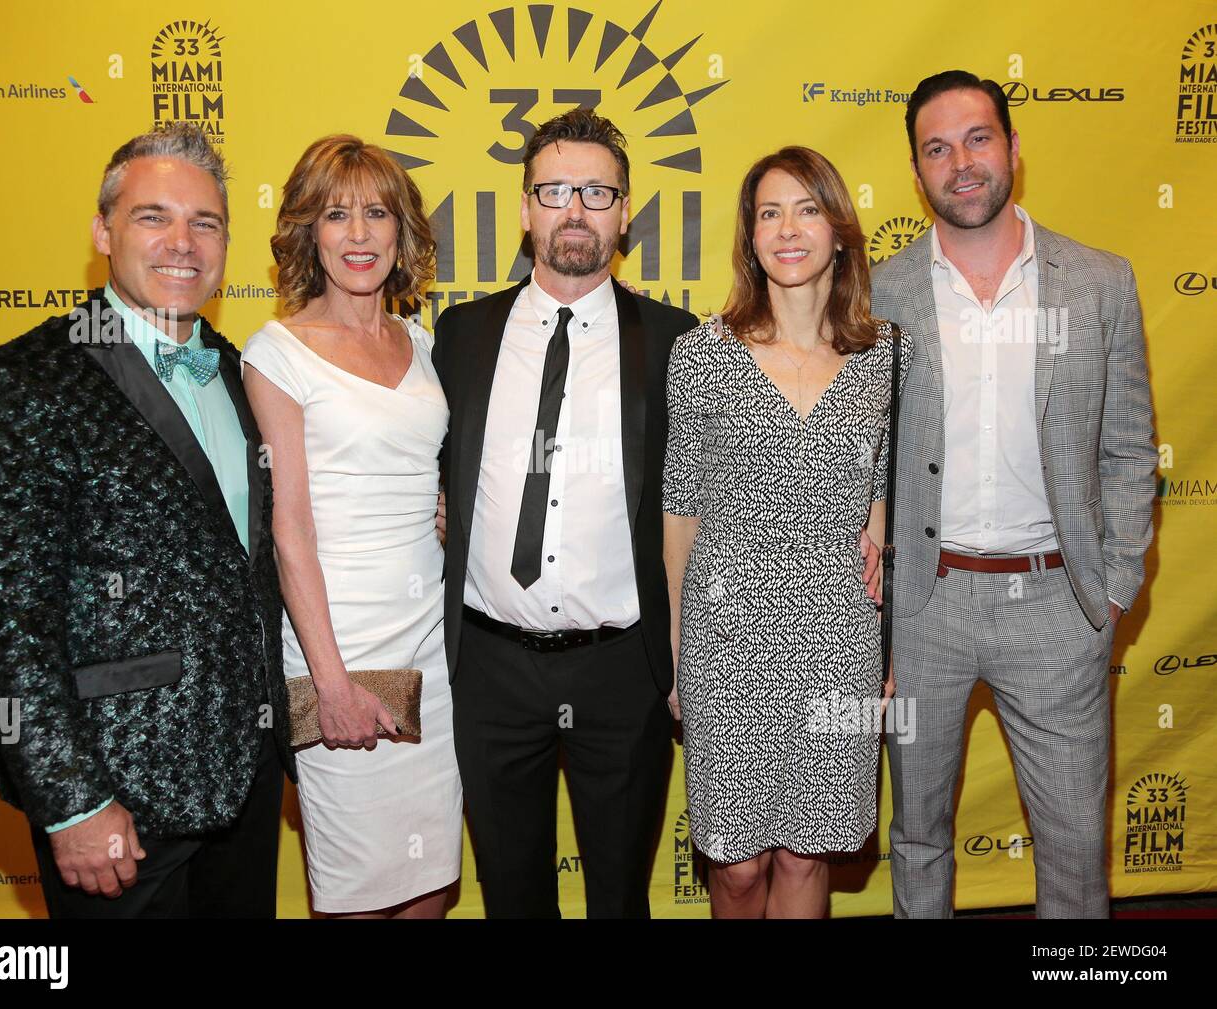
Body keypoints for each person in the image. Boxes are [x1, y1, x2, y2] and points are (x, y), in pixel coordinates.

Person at [0, 123, 293, 918]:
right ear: (103, 231)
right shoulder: (21, 381)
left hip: (244, 779)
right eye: (152, 216)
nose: (183, 242)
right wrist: (70, 799)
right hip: (116, 795)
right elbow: (8, 622)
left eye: (206, 223)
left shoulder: (242, 372)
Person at [868, 70, 1156, 918]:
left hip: (1057, 606)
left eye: (978, 138)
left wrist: (1110, 586)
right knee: (916, 834)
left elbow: (1131, 445)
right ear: (918, 171)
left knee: (1073, 845)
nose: (961, 162)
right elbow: (863, 451)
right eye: (937, 147)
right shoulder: (881, 292)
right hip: (923, 606)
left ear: (1014, 149)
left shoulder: (1100, 282)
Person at [431, 108, 696, 918]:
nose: (574, 209)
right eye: (553, 190)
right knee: (512, 896)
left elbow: (717, 493)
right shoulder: (460, 334)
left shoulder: (677, 340)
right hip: (488, 667)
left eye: (596, 191)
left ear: (624, 213)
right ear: (523, 209)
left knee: (619, 896)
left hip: (623, 669)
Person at [663, 147, 909, 919]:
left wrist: (888, 638)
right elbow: (679, 512)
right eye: (769, 212)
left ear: (839, 229)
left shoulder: (887, 354)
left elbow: (885, 496)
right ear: (750, 237)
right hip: (726, 636)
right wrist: (676, 653)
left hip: (839, 635)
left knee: (809, 854)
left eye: (807, 208)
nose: (788, 228)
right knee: (736, 865)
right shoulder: (703, 353)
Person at [241, 135, 461, 918]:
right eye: (337, 215)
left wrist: (445, 509)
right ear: (310, 232)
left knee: (430, 886)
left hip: (428, 651)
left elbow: (428, 469)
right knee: (355, 894)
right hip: (339, 653)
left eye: (377, 213)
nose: (360, 234)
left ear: (402, 231)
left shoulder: (425, 345)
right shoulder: (278, 353)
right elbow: (289, 526)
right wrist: (330, 682)